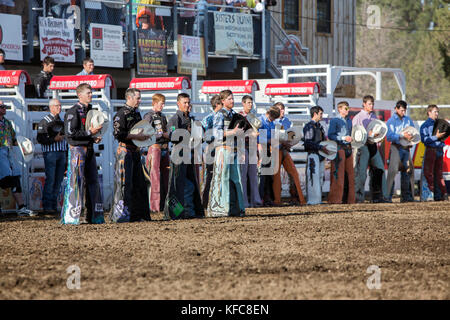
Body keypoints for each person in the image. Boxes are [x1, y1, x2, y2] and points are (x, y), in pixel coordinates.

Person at [61, 84, 104, 225]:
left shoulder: (92, 110)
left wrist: (94, 137)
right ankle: (71, 217)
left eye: (91, 93)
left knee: (93, 182)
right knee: (75, 183)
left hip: (89, 149)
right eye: (88, 93)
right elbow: (70, 134)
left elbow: (90, 131)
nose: (91, 95)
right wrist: (90, 133)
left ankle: (93, 216)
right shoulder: (72, 112)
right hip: (77, 150)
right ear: (79, 95)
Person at [111, 88, 151, 222]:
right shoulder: (121, 114)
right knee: (125, 184)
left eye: (139, 98)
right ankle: (122, 215)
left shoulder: (137, 113)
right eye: (137, 98)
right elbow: (118, 134)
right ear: (129, 98)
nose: (139, 100)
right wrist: (136, 136)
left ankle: (137, 214)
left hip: (135, 152)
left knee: (139, 184)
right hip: (125, 152)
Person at [164, 93, 204, 219]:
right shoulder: (175, 119)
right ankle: (177, 212)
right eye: (184, 103)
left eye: (188, 102)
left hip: (189, 152)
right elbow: (172, 136)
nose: (187, 105)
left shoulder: (191, 119)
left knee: (190, 182)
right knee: (177, 184)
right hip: (179, 152)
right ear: (178, 103)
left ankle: (188, 211)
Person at [207, 90, 245, 217]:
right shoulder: (219, 115)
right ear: (222, 101)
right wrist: (232, 132)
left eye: (232, 99)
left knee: (236, 179)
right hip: (223, 149)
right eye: (229, 99)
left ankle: (237, 208)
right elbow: (216, 134)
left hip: (233, 149)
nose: (232, 101)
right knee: (222, 178)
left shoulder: (234, 114)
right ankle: (222, 208)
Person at [0, 101, 36, 217]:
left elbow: (13, 138)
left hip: (8, 152)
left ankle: (21, 207)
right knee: (6, 178)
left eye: (4, 106)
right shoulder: (6, 123)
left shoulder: (7, 123)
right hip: (1, 151)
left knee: (14, 177)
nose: (4, 108)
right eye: (2, 107)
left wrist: (23, 145)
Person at [352, 95, 389, 203]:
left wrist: (378, 137)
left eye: (372, 104)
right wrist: (368, 134)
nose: (371, 106)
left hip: (372, 145)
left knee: (380, 169)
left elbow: (377, 133)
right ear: (364, 104)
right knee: (362, 173)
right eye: (369, 104)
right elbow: (355, 135)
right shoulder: (358, 117)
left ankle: (381, 196)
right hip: (362, 147)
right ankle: (359, 197)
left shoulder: (373, 117)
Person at [36, 98, 67, 214]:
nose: (59, 108)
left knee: (58, 180)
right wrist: (54, 139)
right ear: (51, 107)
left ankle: (53, 205)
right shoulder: (44, 121)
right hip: (50, 153)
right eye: (57, 106)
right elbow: (40, 138)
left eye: (60, 106)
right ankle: (47, 205)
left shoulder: (62, 120)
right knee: (51, 179)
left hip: (62, 152)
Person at [272, 102, 306, 206]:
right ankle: (276, 200)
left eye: (283, 109)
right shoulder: (272, 121)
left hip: (284, 149)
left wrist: (290, 143)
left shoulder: (287, 121)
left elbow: (291, 135)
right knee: (276, 175)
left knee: (293, 172)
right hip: (276, 149)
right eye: (279, 109)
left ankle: (297, 197)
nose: (282, 111)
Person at [143, 93, 170, 213]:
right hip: (154, 148)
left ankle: (164, 204)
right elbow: (145, 133)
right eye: (161, 104)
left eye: (163, 103)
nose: (162, 106)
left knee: (165, 177)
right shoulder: (148, 116)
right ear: (154, 103)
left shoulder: (163, 116)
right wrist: (161, 135)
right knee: (155, 177)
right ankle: (154, 206)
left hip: (164, 148)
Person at [385, 100, 416, 202]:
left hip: (406, 148)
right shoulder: (391, 121)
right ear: (396, 109)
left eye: (404, 110)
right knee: (392, 172)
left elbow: (413, 131)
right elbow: (389, 137)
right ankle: (388, 196)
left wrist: (411, 137)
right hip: (396, 148)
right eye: (402, 110)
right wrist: (402, 135)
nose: (403, 112)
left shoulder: (408, 120)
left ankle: (406, 196)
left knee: (407, 172)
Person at [327, 101, 355, 204]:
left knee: (350, 175)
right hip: (339, 148)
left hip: (348, 148)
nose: (347, 110)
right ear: (339, 109)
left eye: (348, 108)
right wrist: (343, 137)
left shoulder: (349, 121)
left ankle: (349, 199)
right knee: (338, 175)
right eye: (345, 108)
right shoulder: (335, 120)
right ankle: (335, 199)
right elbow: (330, 135)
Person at [420, 105, 448, 201]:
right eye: (435, 111)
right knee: (432, 174)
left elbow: (426, 139)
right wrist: (436, 137)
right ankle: (433, 195)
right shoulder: (425, 125)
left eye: (437, 112)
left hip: (436, 150)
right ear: (429, 112)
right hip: (432, 150)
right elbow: (424, 139)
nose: (437, 113)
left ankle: (435, 195)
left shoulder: (438, 124)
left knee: (434, 173)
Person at [239, 95, 262, 208]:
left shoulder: (253, 116)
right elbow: (238, 133)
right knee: (243, 176)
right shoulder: (239, 116)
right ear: (243, 103)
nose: (250, 105)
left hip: (252, 147)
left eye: (251, 103)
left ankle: (255, 201)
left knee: (253, 175)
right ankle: (244, 201)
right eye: (248, 102)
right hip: (243, 147)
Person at [303, 106, 328, 205]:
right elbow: (307, 143)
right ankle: (313, 200)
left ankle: (317, 199)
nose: (322, 115)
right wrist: (320, 147)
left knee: (320, 176)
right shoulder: (309, 126)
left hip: (319, 154)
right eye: (320, 113)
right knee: (314, 176)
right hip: (314, 154)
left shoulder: (319, 126)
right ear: (315, 114)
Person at [200, 94, 222, 208]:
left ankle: (207, 202)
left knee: (211, 176)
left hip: (213, 148)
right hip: (213, 148)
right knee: (210, 175)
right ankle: (206, 202)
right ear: (217, 104)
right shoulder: (212, 118)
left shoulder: (206, 118)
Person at [257, 106, 280, 206]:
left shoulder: (271, 123)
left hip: (268, 150)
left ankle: (266, 197)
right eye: (273, 118)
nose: (273, 120)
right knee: (261, 175)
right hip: (260, 150)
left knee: (268, 175)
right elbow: (258, 139)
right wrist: (270, 141)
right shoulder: (260, 121)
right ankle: (260, 198)